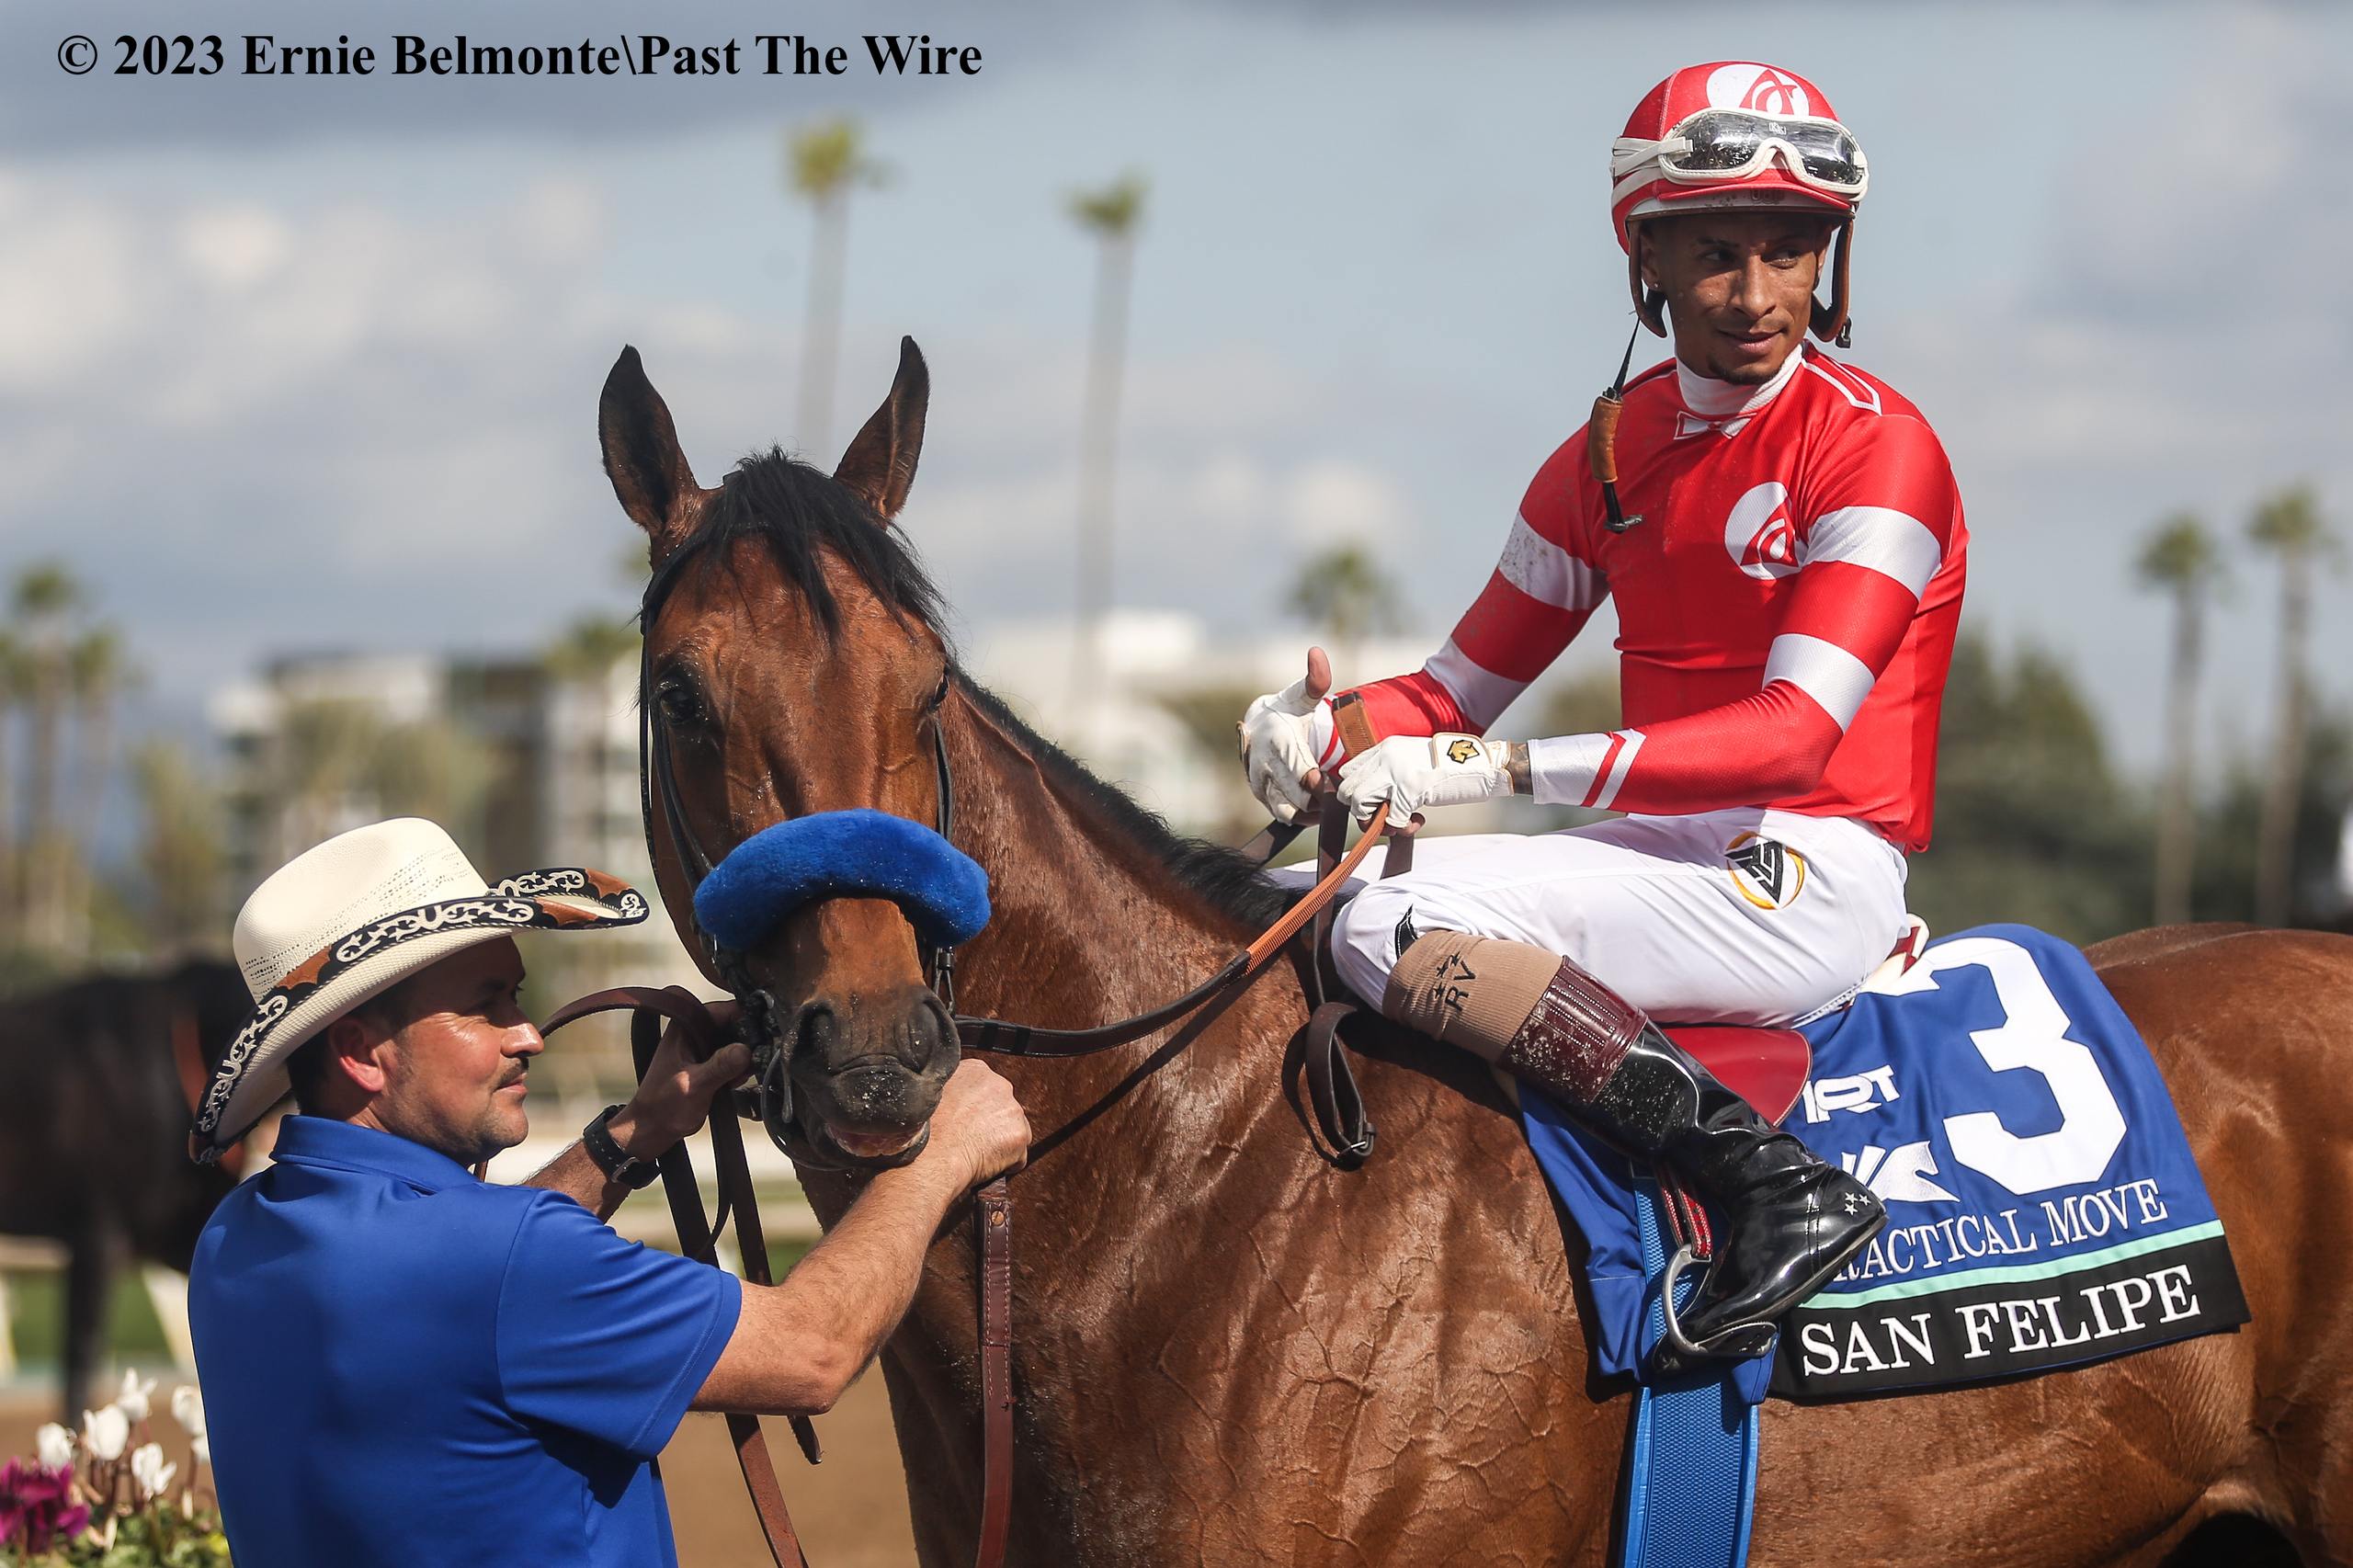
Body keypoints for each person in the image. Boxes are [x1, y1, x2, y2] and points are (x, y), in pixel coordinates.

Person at [1241, 62, 1966, 1366]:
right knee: (1279, 900)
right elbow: (1447, 692)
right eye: (1717, 255)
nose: (1758, 295)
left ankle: (1770, 1185)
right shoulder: (1605, 455)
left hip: (1811, 867)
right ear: (1647, 261)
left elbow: (1793, 735)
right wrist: (1318, 732)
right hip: (1663, 852)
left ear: (1831, 258)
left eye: (1791, 251)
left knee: (1386, 920)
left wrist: (1488, 768)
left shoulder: (1879, 447)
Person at [186, 818, 1029, 1567]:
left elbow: (468, 1292)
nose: (527, 1035)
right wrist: (943, 1153)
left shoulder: (235, 1239)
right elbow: (812, 1352)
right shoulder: (503, 1265)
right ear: (361, 1052)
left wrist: (633, 1136)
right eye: (484, 1007)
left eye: (515, 996)